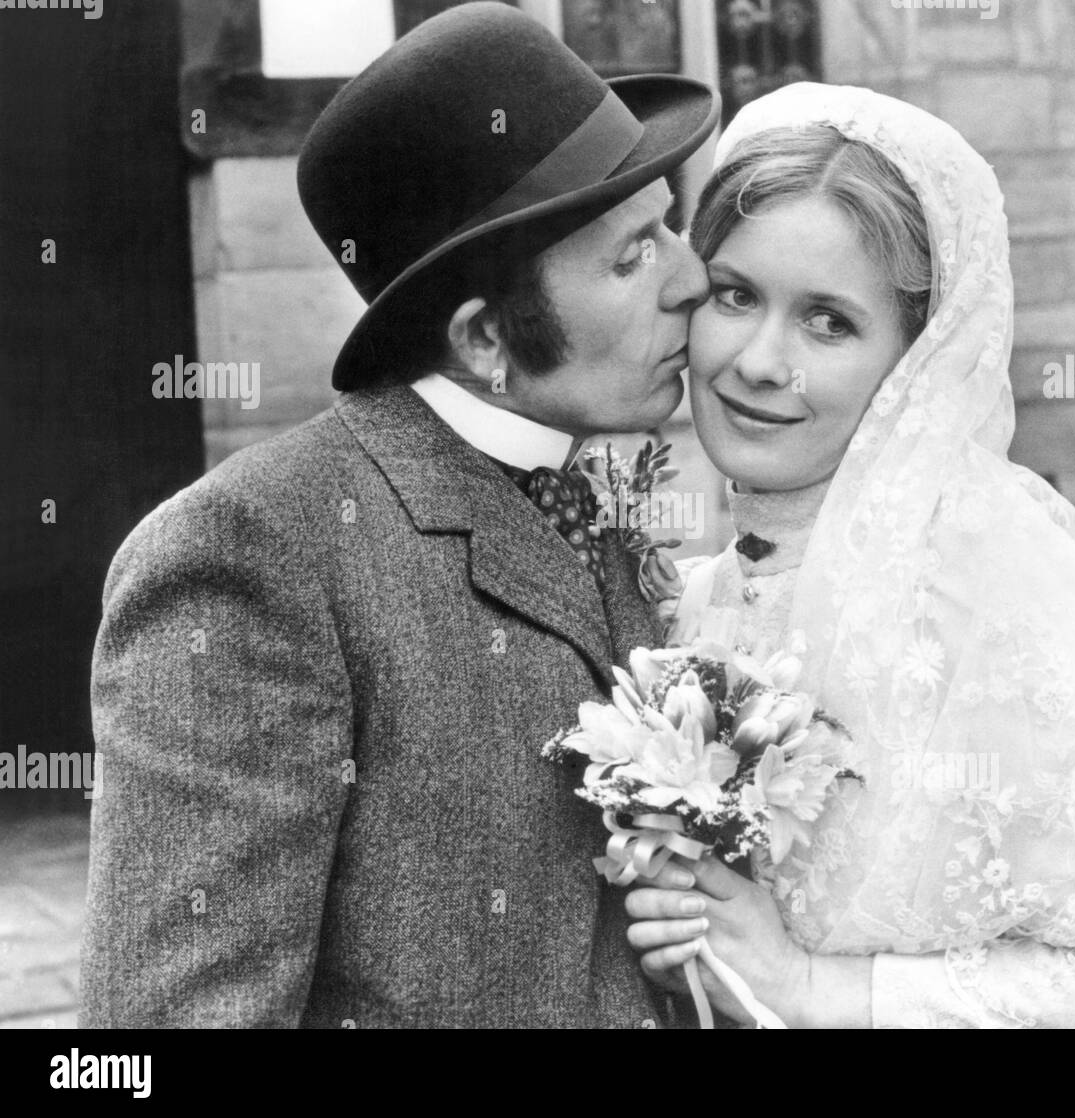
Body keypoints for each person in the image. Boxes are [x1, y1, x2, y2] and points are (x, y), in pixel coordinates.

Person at [81, 2, 719, 1028]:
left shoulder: (589, 499)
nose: (693, 279)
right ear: (482, 342)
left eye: (672, 223)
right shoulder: (253, 555)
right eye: (633, 255)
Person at [625, 83, 1075, 1028]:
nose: (760, 360)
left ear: (917, 361)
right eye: (736, 296)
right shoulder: (692, 596)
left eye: (830, 321)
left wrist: (815, 989)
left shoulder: (997, 581)